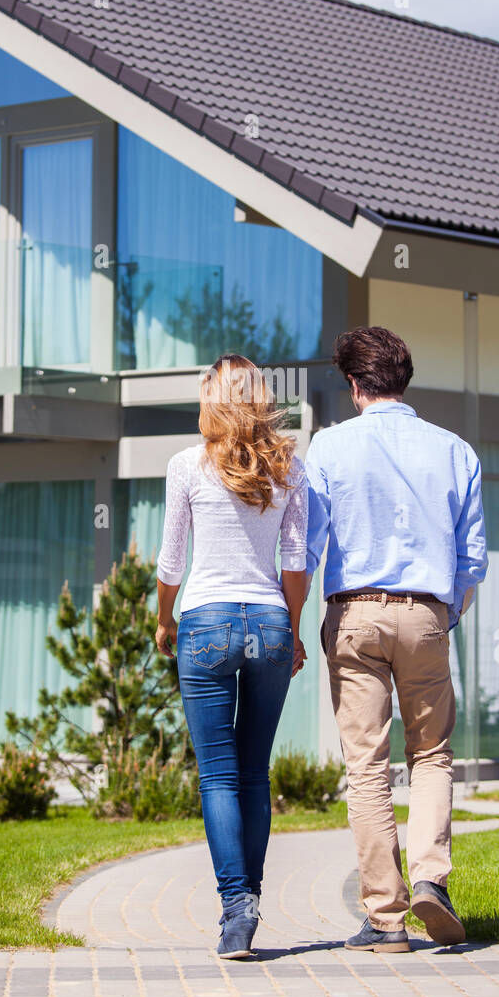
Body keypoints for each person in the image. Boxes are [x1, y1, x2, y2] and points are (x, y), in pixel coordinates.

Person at [306, 326, 488, 952]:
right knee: (431, 754)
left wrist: (296, 615)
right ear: (403, 379)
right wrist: (443, 617)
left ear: (356, 385)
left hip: (354, 612)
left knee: (367, 766)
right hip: (427, 613)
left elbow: (306, 546)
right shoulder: (457, 451)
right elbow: (473, 559)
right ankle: (432, 879)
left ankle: (385, 918)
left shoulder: (327, 449)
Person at [155, 353, 308, 959]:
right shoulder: (287, 470)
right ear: (261, 398)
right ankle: (251, 901)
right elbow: (294, 563)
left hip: (208, 624)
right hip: (268, 623)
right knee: (254, 773)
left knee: (218, 775)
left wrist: (164, 620)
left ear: (210, 400)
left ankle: (236, 911)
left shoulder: (186, 465)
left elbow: (172, 562)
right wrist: (292, 632)